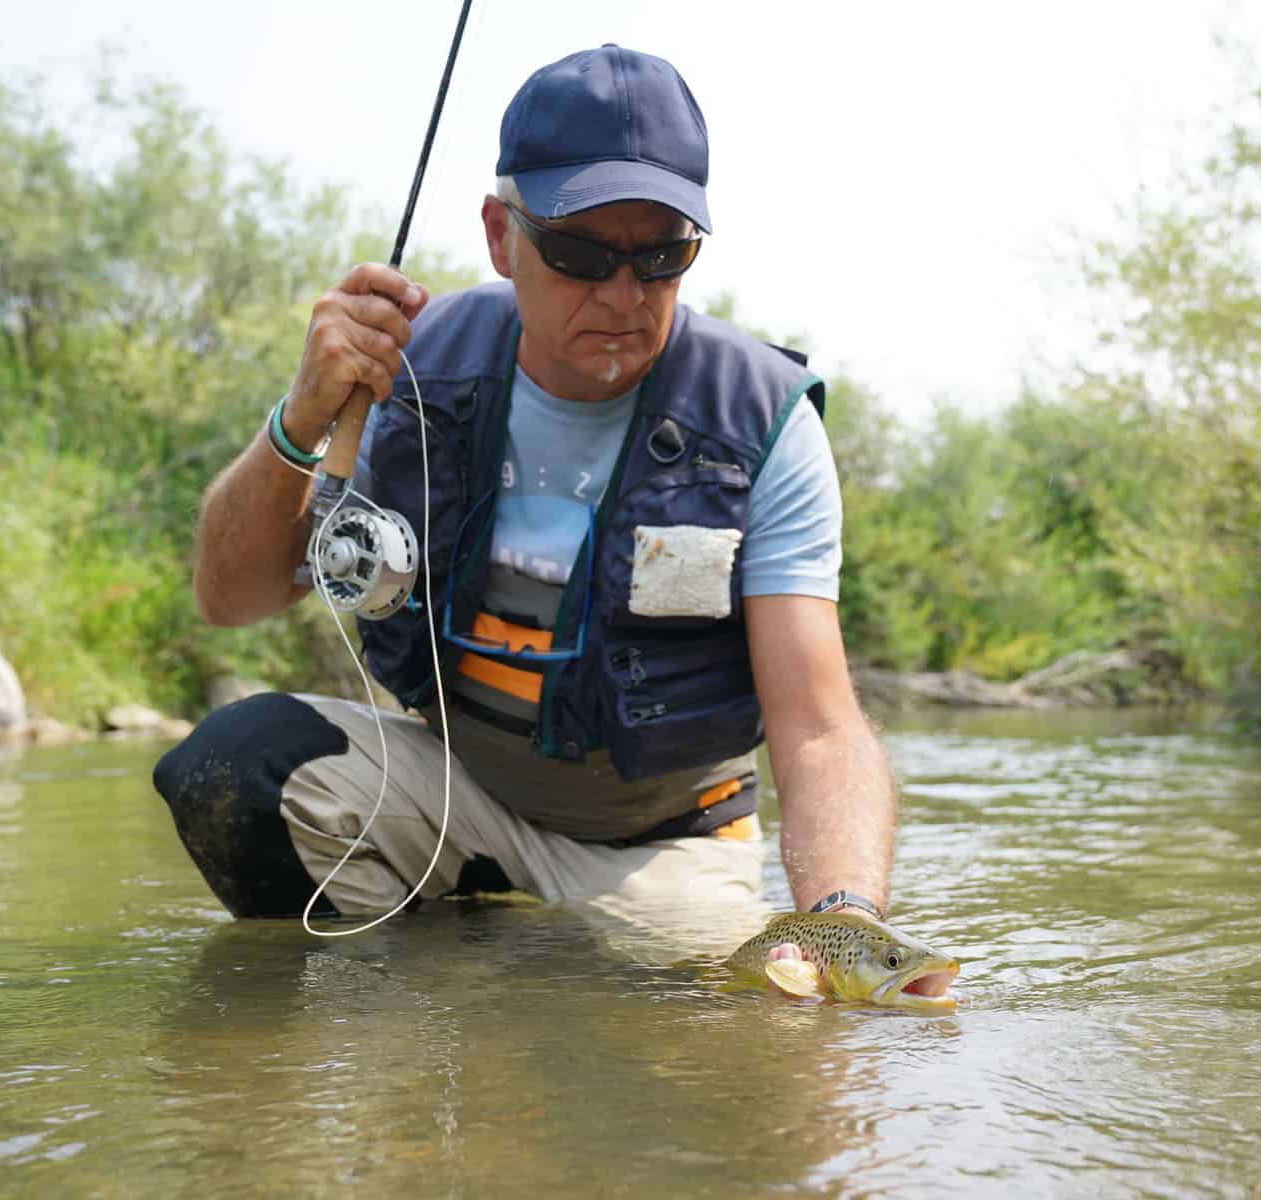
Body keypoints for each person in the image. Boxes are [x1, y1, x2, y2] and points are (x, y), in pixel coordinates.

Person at [153, 45, 899, 946]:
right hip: (451, 794)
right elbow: (228, 601)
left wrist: (845, 922)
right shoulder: (406, 371)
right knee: (234, 766)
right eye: (582, 252)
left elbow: (819, 731)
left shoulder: (762, 423)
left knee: (712, 1047)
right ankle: (410, 1033)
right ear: (501, 236)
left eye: (661, 256)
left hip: (666, 843)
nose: (624, 295)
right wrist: (298, 421)